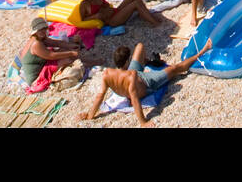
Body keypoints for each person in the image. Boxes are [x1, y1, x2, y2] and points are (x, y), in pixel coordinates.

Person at [77, 39, 214, 127]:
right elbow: (135, 100)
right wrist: (143, 122)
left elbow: (99, 96)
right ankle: (202, 51)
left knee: (140, 46)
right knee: (175, 69)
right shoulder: (132, 75)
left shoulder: (107, 73)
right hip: (146, 83)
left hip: (129, 78)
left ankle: (149, 62)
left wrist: (90, 115)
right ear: (126, 62)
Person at [17, 16, 87, 90]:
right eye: (40, 30)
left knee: (63, 50)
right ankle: (86, 62)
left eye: (44, 29)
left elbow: (56, 43)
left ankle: (83, 61)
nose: (43, 31)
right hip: (35, 79)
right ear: (35, 31)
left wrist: (71, 45)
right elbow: (51, 55)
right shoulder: (36, 44)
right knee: (66, 59)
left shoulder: (39, 38)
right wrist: (71, 53)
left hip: (41, 66)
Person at [77, 0, 162, 27]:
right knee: (135, 4)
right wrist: (95, 16)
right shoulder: (84, 5)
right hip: (112, 20)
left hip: (115, 11)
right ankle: (154, 22)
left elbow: (106, 5)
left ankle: (146, 14)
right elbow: (82, 20)